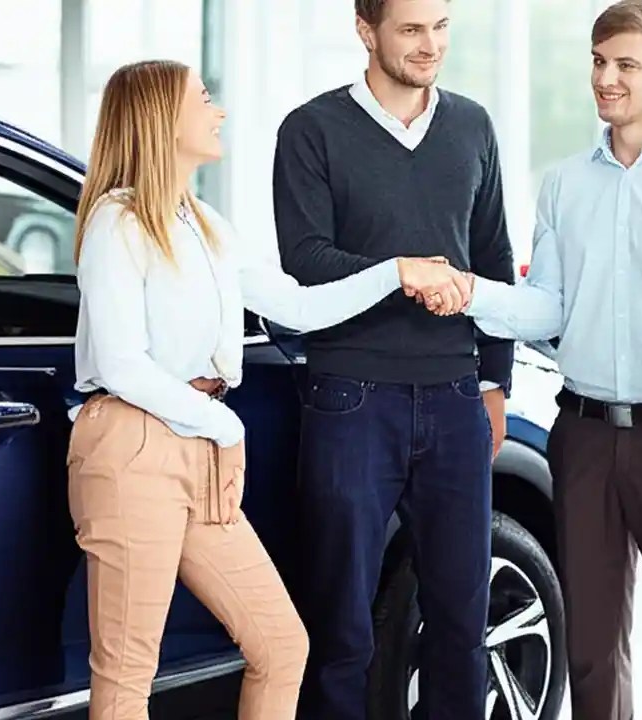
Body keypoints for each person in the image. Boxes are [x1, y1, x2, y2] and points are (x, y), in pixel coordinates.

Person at [66, 59, 468, 720]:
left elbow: (301, 307)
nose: (217, 109)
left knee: (281, 646)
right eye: (203, 98)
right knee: (127, 674)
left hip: (195, 446)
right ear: (164, 118)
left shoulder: (203, 223)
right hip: (134, 447)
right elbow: (120, 363)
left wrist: (396, 272)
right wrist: (226, 426)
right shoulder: (118, 222)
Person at [449, 2, 642, 718]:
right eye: (598, 61)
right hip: (584, 437)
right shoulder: (565, 183)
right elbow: (548, 310)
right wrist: (469, 293)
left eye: (626, 64)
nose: (606, 78)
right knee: (592, 652)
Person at [270, 0, 514, 715]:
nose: (430, 45)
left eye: (441, 27)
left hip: (455, 398)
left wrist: (494, 379)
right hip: (350, 398)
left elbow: (492, 261)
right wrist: (400, 270)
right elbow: (306, 260)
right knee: (340, 623)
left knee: (462, 623)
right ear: (364, 30)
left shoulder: (472, 126)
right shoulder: (311, 130)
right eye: (411, 29)